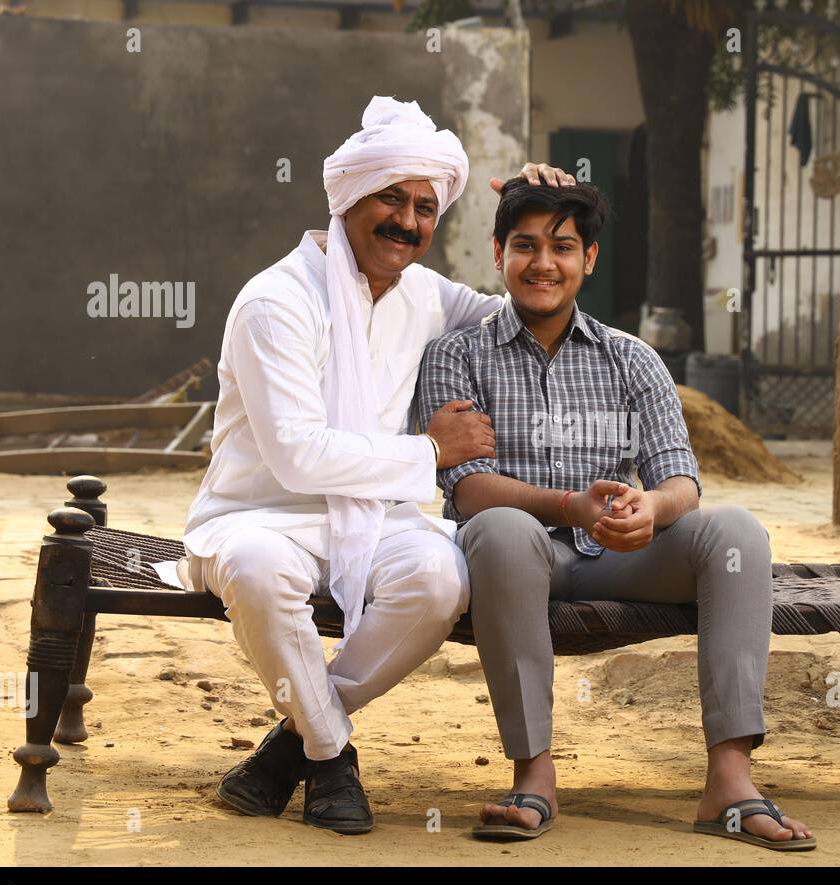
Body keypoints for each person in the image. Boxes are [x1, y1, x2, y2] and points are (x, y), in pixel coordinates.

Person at [181, 97, 574, 835]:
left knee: (440, 578)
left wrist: (542, 221)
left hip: (377, 517)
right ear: (347, 199)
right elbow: (297, 456)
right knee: (262, 574)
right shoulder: (277, 302)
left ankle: (288, 748)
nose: (408, 221)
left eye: (426, 206)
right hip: (262, 513)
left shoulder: (424, 294)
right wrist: (428, 452)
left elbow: (525, 309)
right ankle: (331, 761)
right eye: (390, 198)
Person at [414, 178, 816, 850]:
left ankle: (729, 779)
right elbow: (469, 489)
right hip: (515, 560)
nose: (544, 263)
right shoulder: (458, 355)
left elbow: (680, 481)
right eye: (525, 246)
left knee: (737, 532)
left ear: (589, 259)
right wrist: (569, 505)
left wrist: (649, 509)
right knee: (503, 530)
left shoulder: (632, 359)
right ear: (497, 253)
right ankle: (533, 773)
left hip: (621, 555)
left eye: (563, 247)